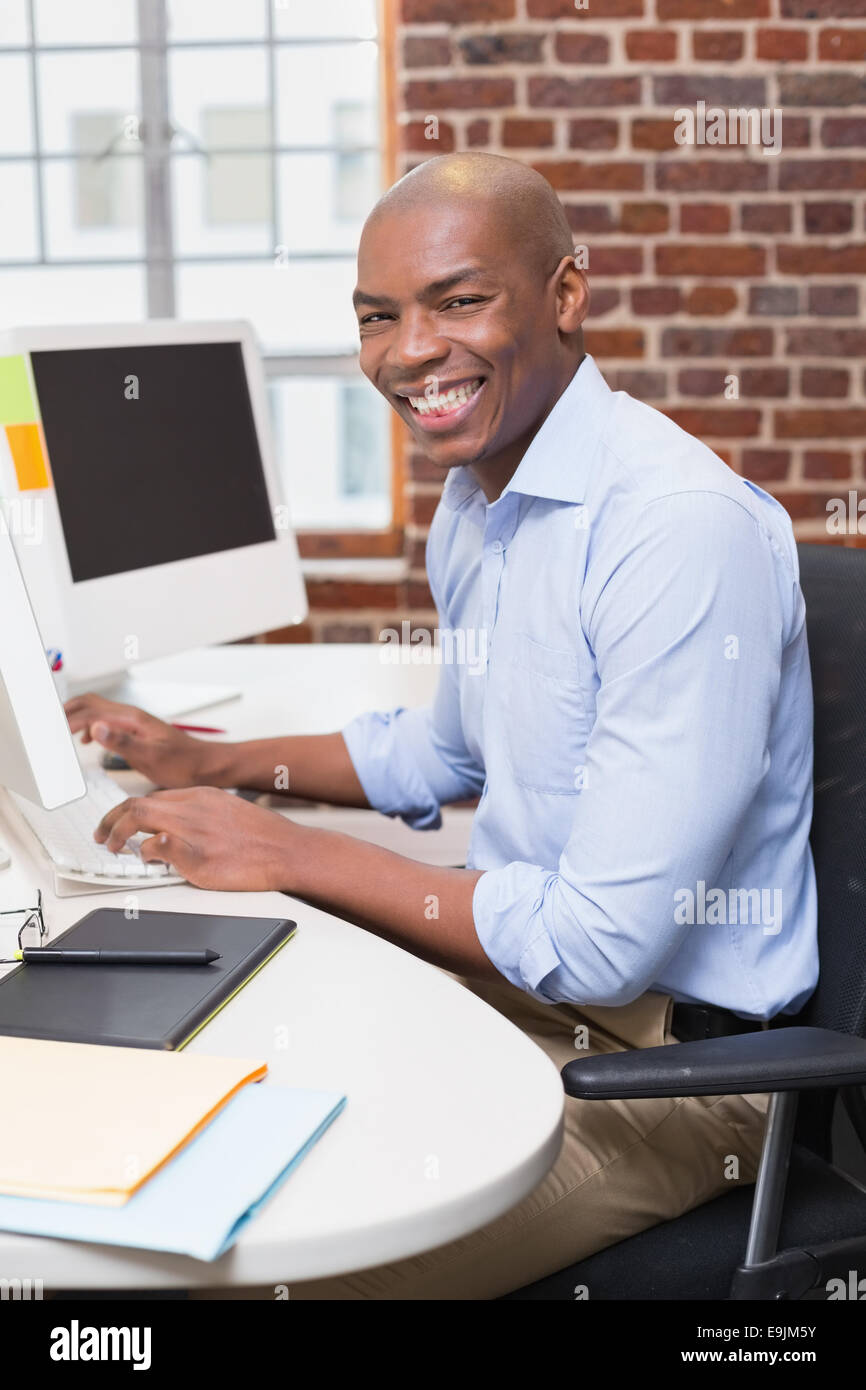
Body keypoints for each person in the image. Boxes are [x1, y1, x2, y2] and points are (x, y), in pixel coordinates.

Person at [65, 153, 817, 1300]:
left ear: (564, 296)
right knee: (164, 1156)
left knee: (269, 1279)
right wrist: (207, 760)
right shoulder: (479, 509)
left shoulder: (672, 531)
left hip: (675, 1073)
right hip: (521, 1005)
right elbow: (446, 754)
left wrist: (289, 853)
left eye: (458, 300)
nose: (408, 350)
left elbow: (599, 943)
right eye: (378, 316)